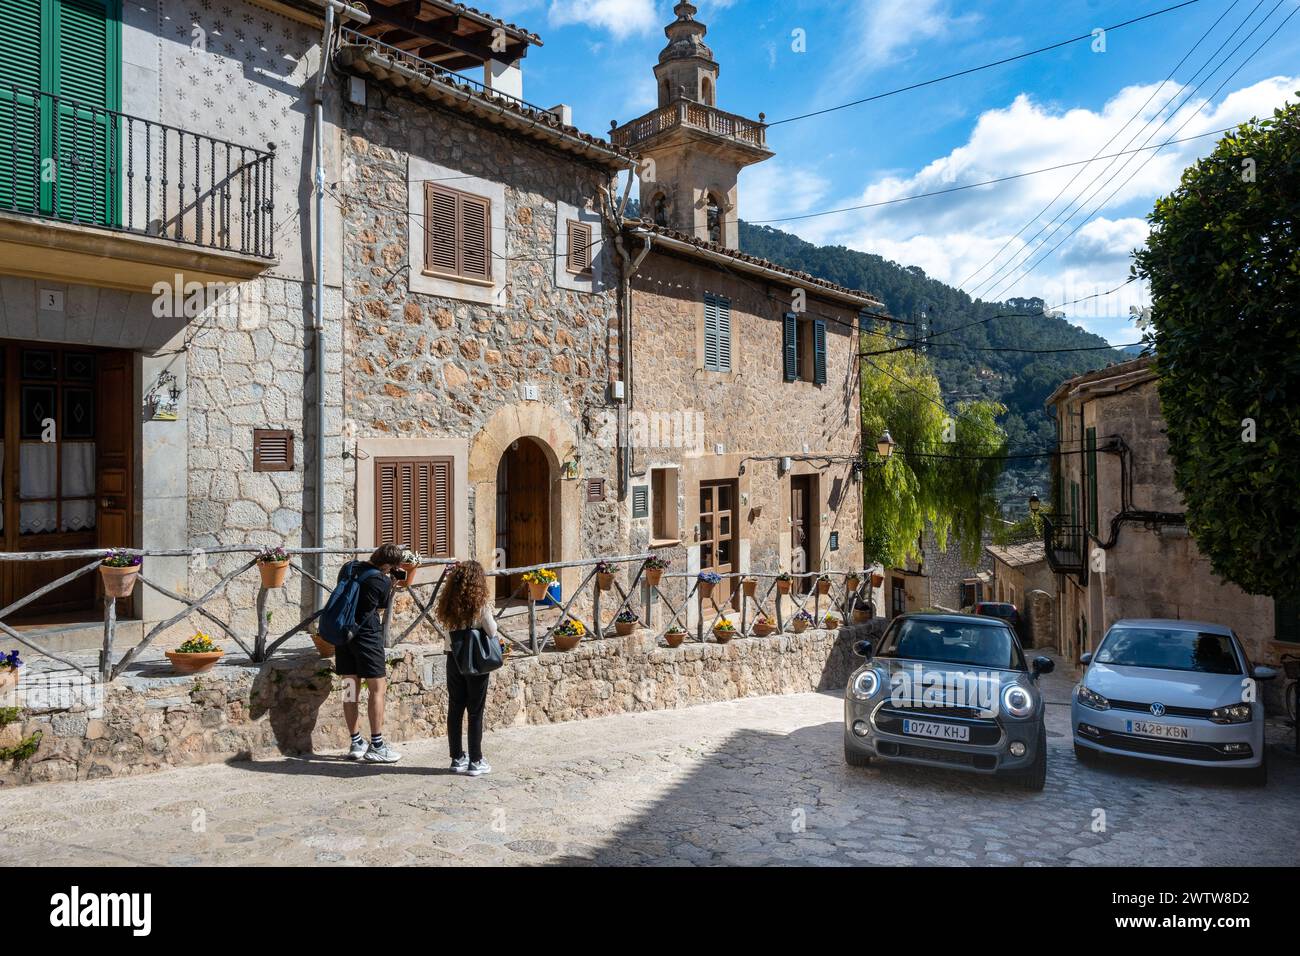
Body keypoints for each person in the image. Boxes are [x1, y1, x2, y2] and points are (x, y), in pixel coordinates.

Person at [337, 543, 403, 763]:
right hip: (367, 637)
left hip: (343, 636)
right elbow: (380, 608)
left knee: (350, 688)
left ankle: (355, 742)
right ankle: (376, 744)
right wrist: (391, 584)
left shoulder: (348, 568)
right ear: (387, 565)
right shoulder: (381, 580)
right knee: (377, 689)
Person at [435, 560, 497, 776]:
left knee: (455, 707)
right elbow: (491, 630)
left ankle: (457, 758)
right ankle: (476, 760)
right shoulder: (479, 603)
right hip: (475, 660)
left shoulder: (448, 604)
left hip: (453, 658)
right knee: (475, 710)